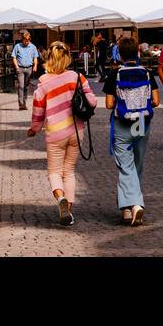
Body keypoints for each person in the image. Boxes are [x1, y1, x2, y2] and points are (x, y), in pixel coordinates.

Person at [28, 40, 97, 227]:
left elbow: (38, 112)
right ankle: (69, 211)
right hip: (76, 131)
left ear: (48, 59)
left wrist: (33, 130)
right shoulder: (77, 77)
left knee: (54, 172)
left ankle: (60, 200)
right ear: (67, 58)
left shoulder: (43, 83)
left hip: (55, 134)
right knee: (69, 172)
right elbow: (92, 101)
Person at [104, 34, 160, 226]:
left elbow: (110, 104)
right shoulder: (146, 72)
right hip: (141, 122)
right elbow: (156, 101)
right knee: (137, 164)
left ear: (119, 53)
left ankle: (134, 205)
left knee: (125, 166)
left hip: (122, 124)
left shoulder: (115, 74)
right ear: (137, 52)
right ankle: (126, 208)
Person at [11, 30, 39, 111]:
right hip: (20, 68)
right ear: (22, 39)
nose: (26, 42)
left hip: (29, 68)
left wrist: (35, 66)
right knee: (21, 86)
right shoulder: (17, 46)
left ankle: (24, 102)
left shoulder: (33, 47)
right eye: (25, 40)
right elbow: (14, 57)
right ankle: (21, 104)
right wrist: (16, 67)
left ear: (30, 40)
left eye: (28, 40)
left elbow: (35, 57)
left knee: (26, 86)